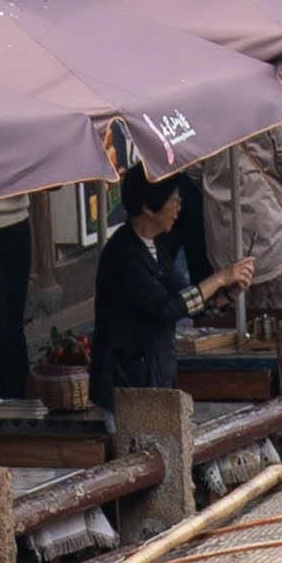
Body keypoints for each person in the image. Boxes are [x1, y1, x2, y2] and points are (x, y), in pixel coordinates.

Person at [90, 155, 197, 411]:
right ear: (149, 208)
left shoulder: (155, 247)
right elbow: (165, 309)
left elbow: (184, 294)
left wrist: (224, 293)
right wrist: (218, 280)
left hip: (153, 377)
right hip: (126, 383)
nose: (178, 206)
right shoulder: (123, 254)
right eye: (173, 200)